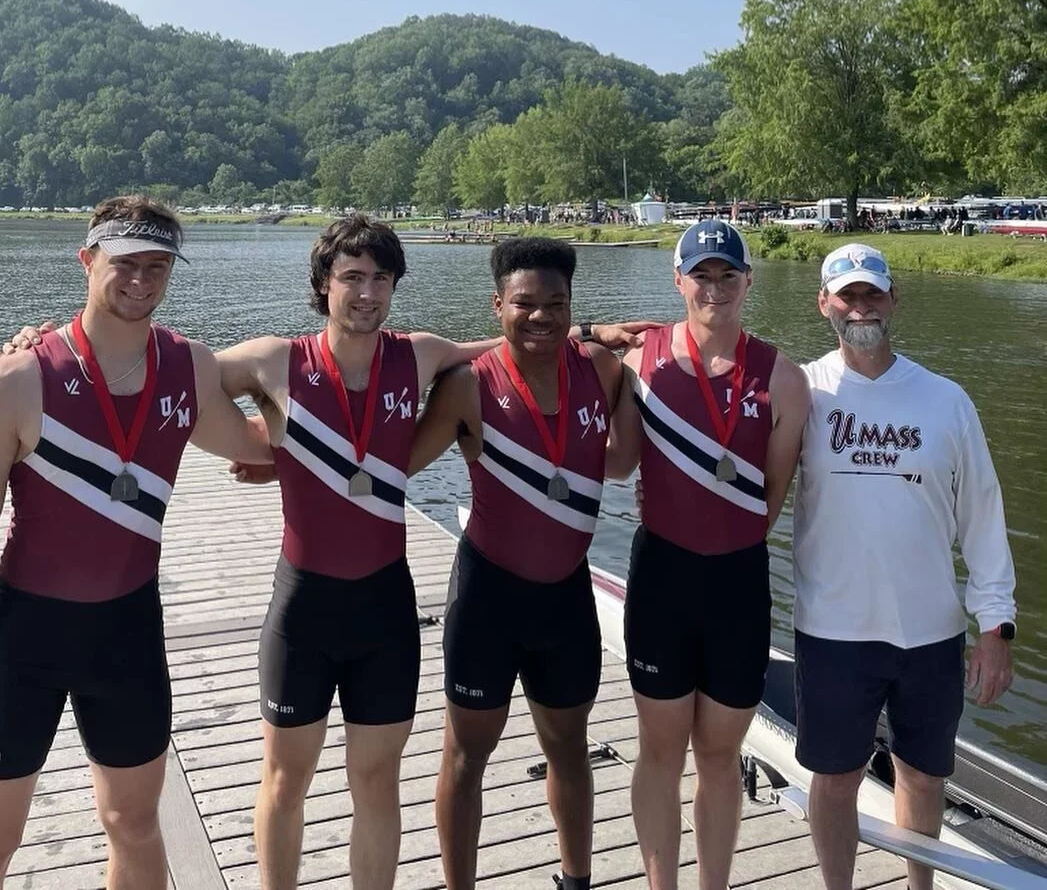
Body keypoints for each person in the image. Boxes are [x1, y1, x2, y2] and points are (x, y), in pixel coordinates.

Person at [212, 217, 650, 890]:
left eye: (379, 278)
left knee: (402, 777)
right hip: (370, 603)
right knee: (301, 775)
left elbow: (528, 365)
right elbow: (161, 374)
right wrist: (280, 448)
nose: (365, 291)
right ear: (323, 286)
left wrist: (589, 330)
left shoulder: (439, 358)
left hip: (468, 602)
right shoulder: (296, 360)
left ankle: (573, 878)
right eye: (351, 277)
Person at [0, 197, 274, 890]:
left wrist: (291, 398)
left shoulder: (189, 368)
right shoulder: (10, 382)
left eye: (157, 267)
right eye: (124, 264)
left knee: (135, 826)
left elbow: (261, 442)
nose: (140, 280)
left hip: (126, 635)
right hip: (25, 638)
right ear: (86, 260)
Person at [794, 243, 1017, 890]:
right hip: (832, 631)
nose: (859, 307)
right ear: (823, 305)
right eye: (846, 295)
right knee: (833, 777)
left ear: (894, 300)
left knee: (922, 774)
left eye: (871, 294)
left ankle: (918, 884)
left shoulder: (945, 400)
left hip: (929, 633)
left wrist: (994, 627)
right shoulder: (800, 393)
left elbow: (982, 515)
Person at [406, 237, 624, 890]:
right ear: (496, 305)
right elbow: (393, 465)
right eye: (523, 304)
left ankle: (575, 879)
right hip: (487, 599)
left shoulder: (604, 371)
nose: (540, 317)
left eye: (555, 304)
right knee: (466, 754)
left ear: (571, 308)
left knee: (568, 747)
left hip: (565, 598)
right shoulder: (467, 386)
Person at [607, 219, 809, 890]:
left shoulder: (781, 377)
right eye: (701, 274)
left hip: (736, 584)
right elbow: (618, 464)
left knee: (719, 756)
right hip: (662, 577)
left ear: (747, 281)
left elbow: (771, 495)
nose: (713, 288)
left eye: (727, 274)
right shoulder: (641, 362)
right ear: (677, 281)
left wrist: (723, 534)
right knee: (660, 751)